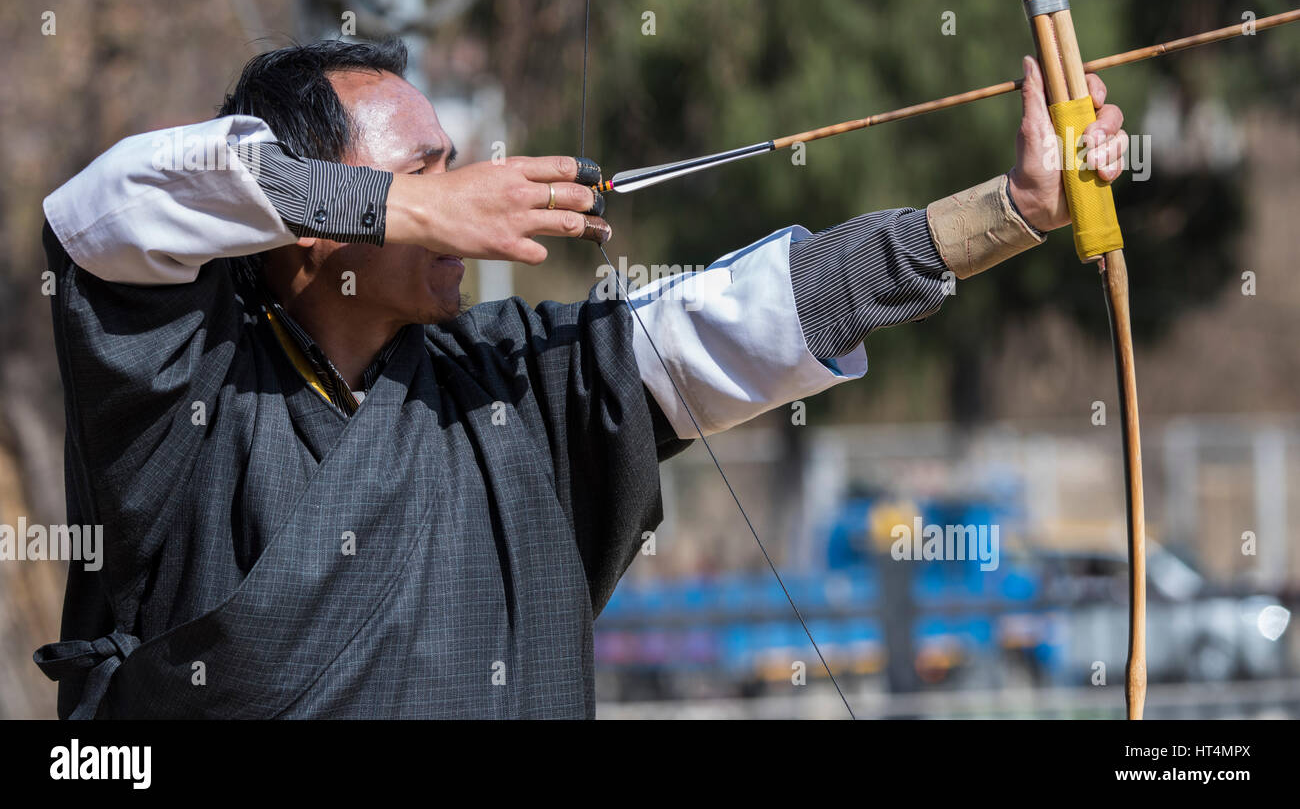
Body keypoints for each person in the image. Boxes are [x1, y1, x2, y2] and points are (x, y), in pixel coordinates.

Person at [33, 37, 1128, 718]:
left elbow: (734, 321)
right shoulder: (193, 383)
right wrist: (399, 209)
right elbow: (104, 207)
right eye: (427, 173)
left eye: (453, 168)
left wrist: (1008, 212)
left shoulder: (510, 382)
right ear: (307, 226)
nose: (468, 195)